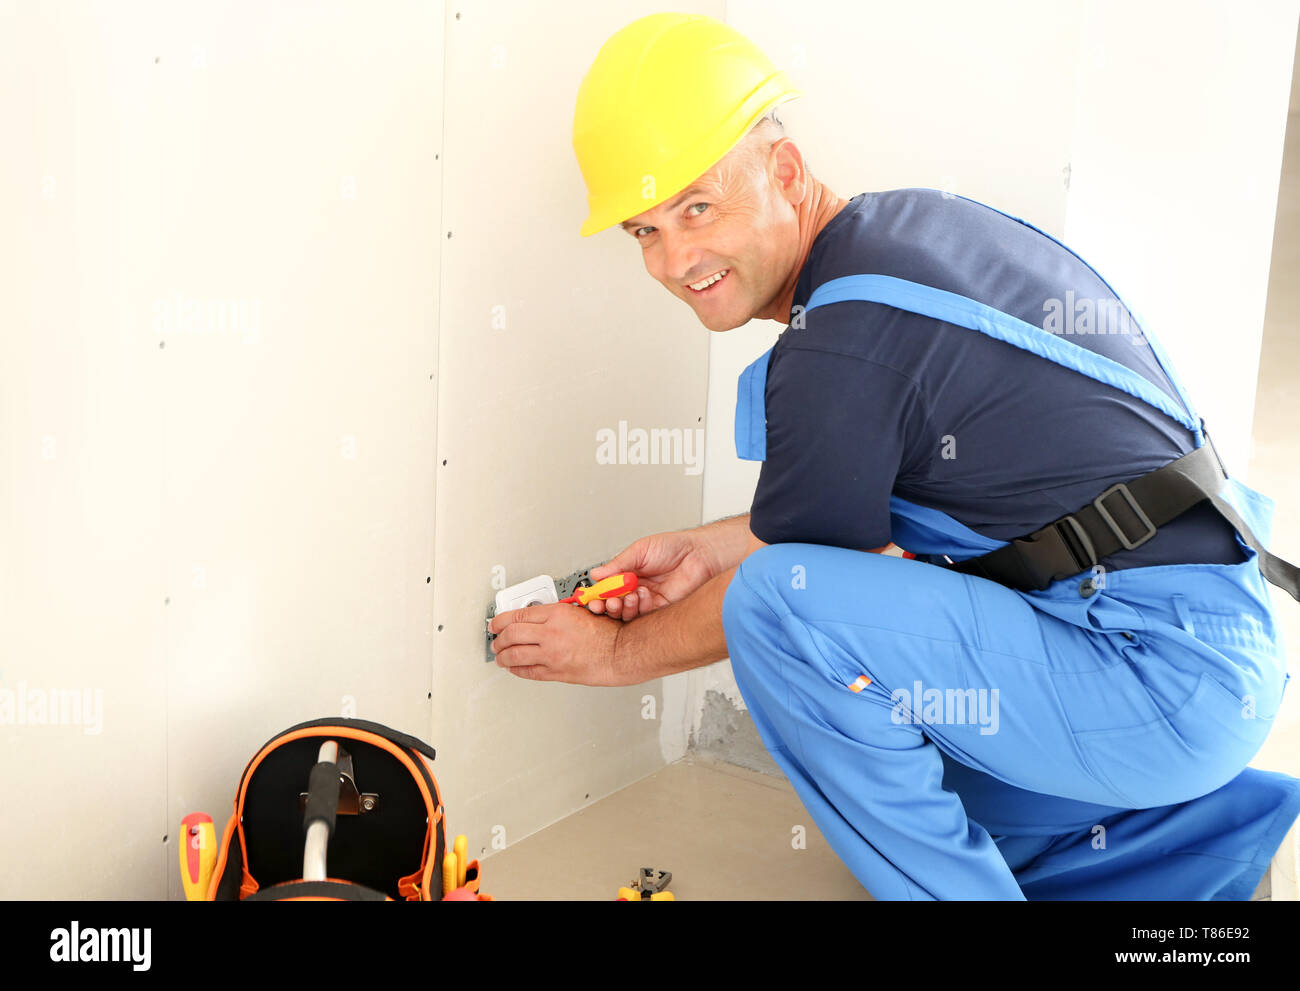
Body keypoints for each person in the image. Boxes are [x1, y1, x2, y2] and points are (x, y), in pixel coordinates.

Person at [488, 11, 1300, 899]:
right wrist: (707, 548)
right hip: (1210, 651)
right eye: (644, 230)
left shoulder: (837, 341)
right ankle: (1208, 850)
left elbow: (792, 591)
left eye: (696, 207)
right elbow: (840, 520)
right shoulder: (899, 243)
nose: (676, 258)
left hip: (1154, 674)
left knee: (780, 616)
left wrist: (612, 656)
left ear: (784, 172)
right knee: (912, 771)